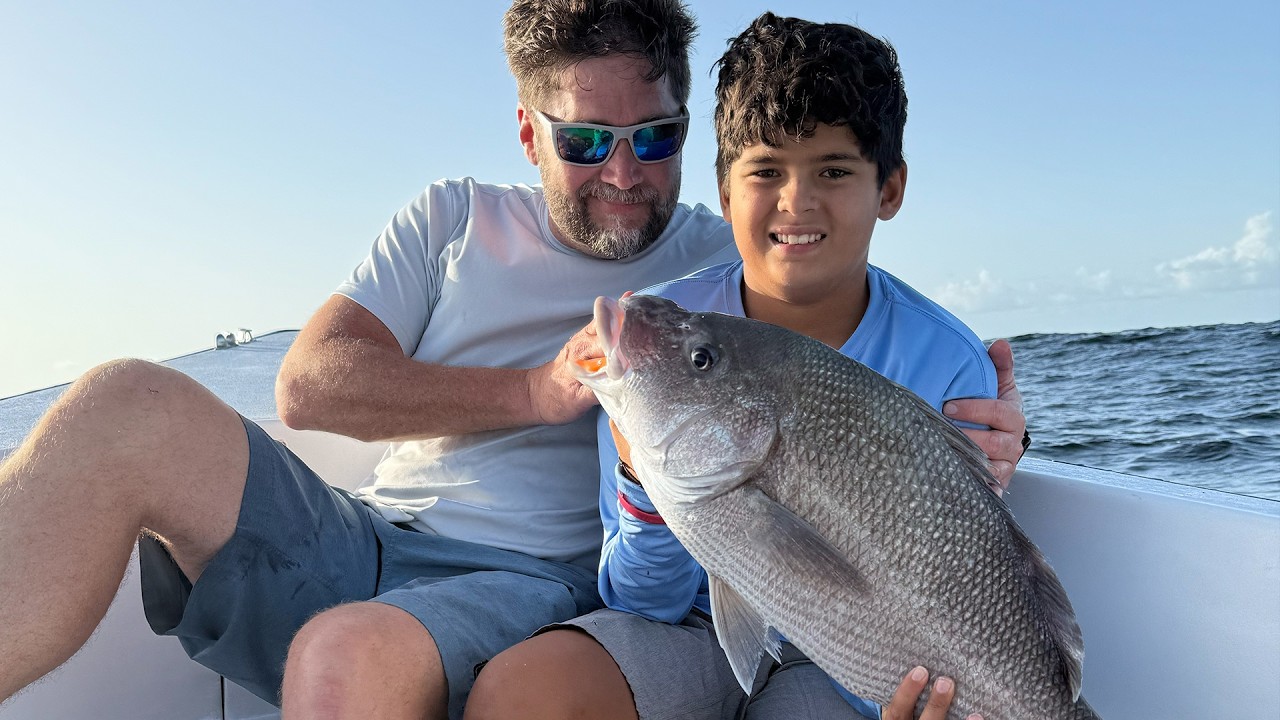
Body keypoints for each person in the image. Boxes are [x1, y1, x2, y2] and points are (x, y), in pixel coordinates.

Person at [0, 3, 1025, 719]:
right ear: (525, 130)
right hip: (365, 533)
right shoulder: (447, 218)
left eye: (653, 136)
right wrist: (541, 391)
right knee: (122, 403)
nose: (622, 174)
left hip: (529, 585)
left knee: (345, 656)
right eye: (582, 141)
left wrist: (984, 433)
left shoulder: (724, 258)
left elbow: (846, 311)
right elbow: (308, 387)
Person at [466, 13, 1006, 720]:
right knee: (525, 693)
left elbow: (975, 584)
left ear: (891, 189)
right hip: (688, 629)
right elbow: (642, 599)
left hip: (860, 663)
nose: (796, 201)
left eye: (834, 170)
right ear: (725, 193)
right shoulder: (654, 344)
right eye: (766, 171)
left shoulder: (950, 361)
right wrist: (641, 483)